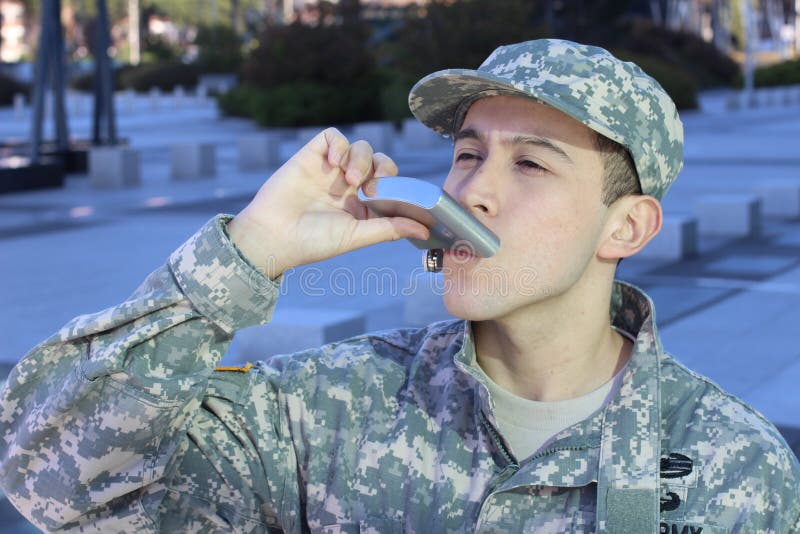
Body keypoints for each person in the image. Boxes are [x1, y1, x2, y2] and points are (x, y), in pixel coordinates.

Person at [0, 39, 798, 533]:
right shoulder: (322, 413)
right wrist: (245, 254)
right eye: (467, 154)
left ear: (626, 228)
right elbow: (60, 487)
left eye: (530, 163)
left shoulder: (736, 468)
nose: (474, 191)